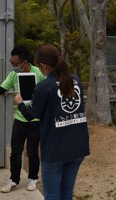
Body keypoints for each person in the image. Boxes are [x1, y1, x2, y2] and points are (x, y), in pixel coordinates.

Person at [14, 43, 90, 200]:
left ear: (42, 65)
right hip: (78, 146)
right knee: (67, 194)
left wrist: (20, 103)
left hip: (55, 149)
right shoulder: (76, 81)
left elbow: (30, 115)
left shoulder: (43, 87)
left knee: (52, 196)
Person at [0, 45, 45, 193]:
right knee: (15, 151)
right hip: (19, 119)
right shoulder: (13, 75)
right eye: (12, 62)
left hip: (36, 120)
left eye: (15, 63)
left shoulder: (39, 74)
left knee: (32, 152)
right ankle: (14, 180)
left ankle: (33, 179)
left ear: (24, 62)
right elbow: (1, 89)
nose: (13, 66)